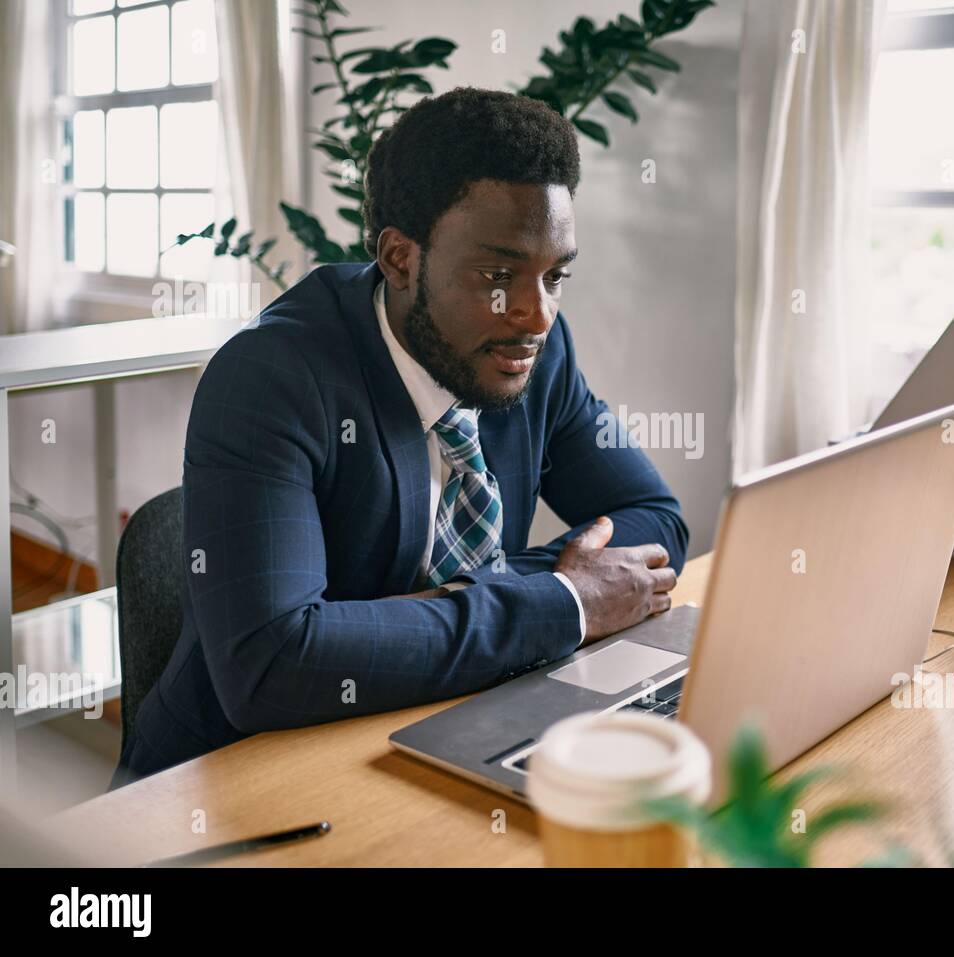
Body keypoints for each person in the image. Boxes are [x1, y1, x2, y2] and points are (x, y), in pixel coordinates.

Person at [111, 87, 686, 787]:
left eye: (556, 275)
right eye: (498, 276)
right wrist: (563, 601)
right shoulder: (270, 378)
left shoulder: (535, 347)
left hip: (437, 724)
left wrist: (496, 604)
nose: (536, 314)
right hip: (231, 779)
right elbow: (272, 664)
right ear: (400, 258)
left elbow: (656, 522)